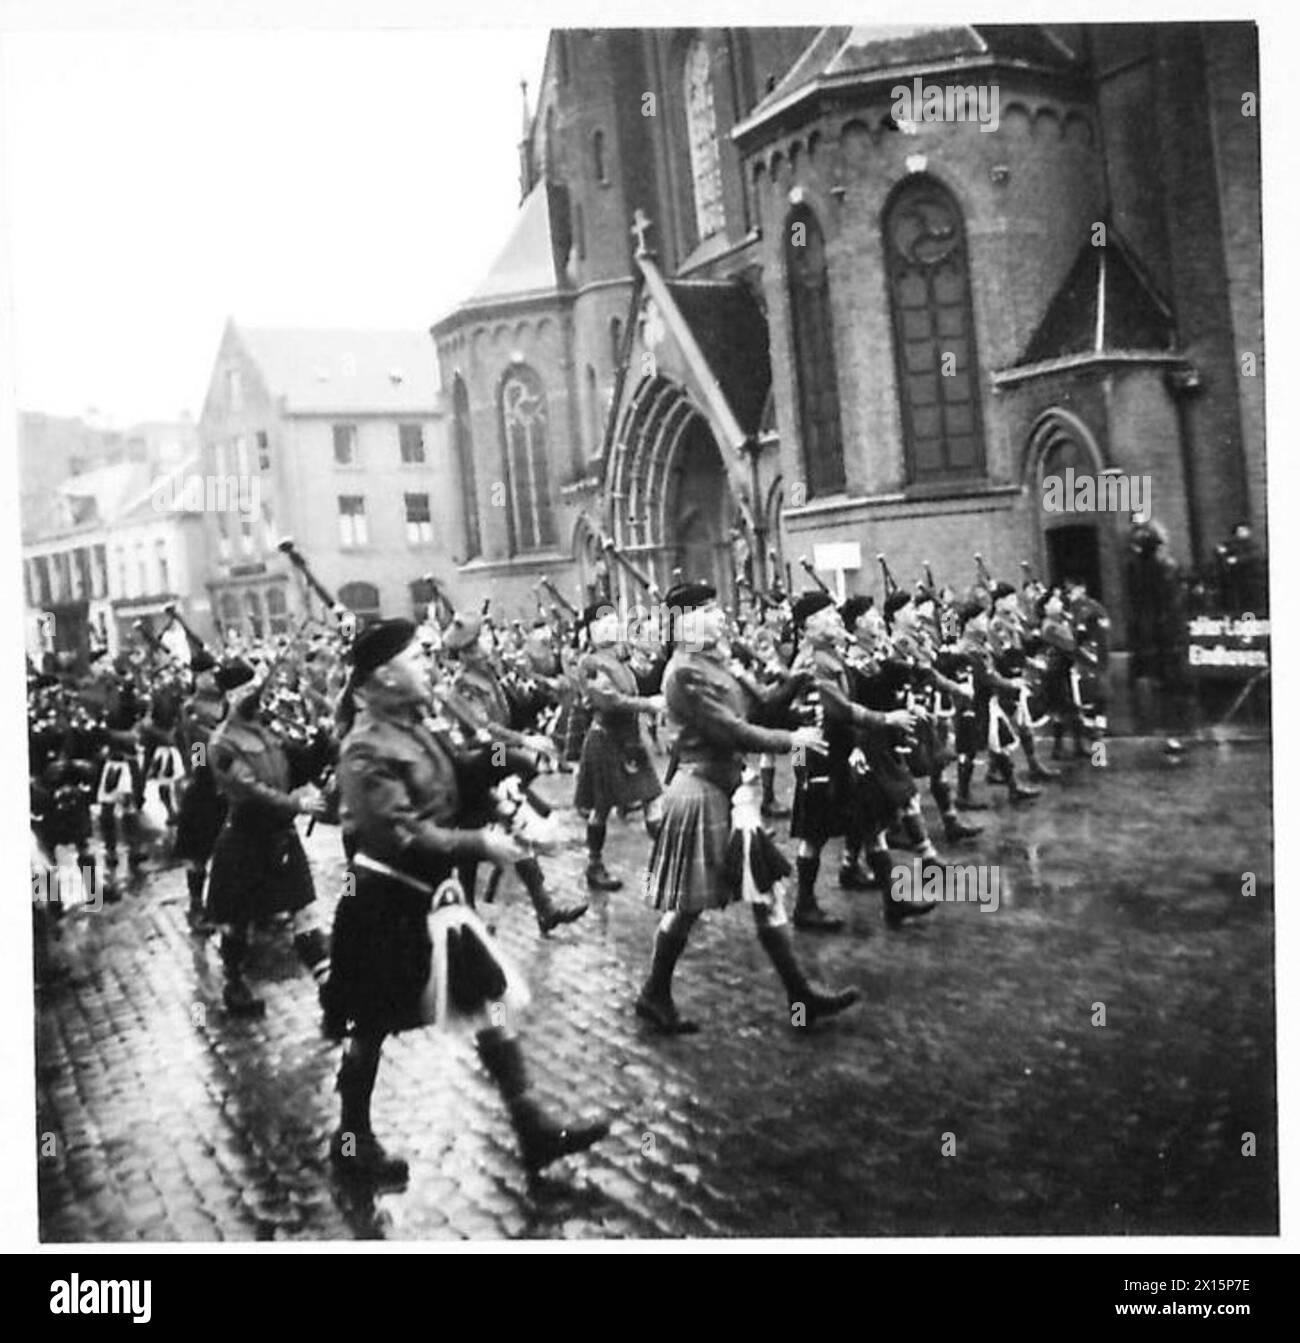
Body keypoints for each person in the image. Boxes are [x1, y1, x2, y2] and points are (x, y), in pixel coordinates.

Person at [324, 619, 610, 1183]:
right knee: (369, 1030)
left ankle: (531, 1130)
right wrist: (478, 842)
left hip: (435, 902)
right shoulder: (364, 748)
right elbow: (399, 835)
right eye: (417, 656)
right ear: (384, 677)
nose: (429, 663)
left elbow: (464, 770)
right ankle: (352, 1139)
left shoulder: (415, 727)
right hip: (383, 908)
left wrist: (518, 759)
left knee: (487, 1005)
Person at [636, 582, 861, 1034]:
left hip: (731, 793)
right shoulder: (683, 673)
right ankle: (655, 993)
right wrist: (791, 741)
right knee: (692, 904)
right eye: (709, 609)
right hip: (703, 790)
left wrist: (799, 679)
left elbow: (762, 706)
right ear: (684, 621)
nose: (720, 616)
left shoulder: (715, 661)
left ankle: (799, 995)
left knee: (759, 895)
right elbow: (732, 732)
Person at [441, 611, 587, 933]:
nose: (488, 648)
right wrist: (524, 742)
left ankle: (544, 909)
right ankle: (469, 917)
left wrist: (543, 693)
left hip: (494, 765)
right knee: (475, 843)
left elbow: (512, 712)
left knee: (517, 835)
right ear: (467, 652)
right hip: (474, 768)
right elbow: (483, 727)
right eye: (481, 644)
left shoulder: (490, 677)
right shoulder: (462, 686)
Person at [205, 659, 332, 1016]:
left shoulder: (266, 730)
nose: (256, 693)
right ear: (230, 695)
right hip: (245, 839)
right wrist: (297, 804)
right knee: (237, 922)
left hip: (281, 836)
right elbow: (250, 789)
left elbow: (296, 766)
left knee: (305, 912)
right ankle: (234, 983)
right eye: (248, 688)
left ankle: (330, 992)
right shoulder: (222, 744)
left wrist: (321, 742)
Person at [572, 603, 664, 891]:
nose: (612, 626)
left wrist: (661, 658)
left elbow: (645, 680)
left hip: (629, 741)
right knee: (602, 807)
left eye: (614, 620)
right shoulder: (591, 663)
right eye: (604, 622)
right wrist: (647, 704)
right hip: (605, 741)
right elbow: (608, 700)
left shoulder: (620, 658)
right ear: (591, 631)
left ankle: (665, 865)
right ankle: (594, 865)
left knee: (651, 798)